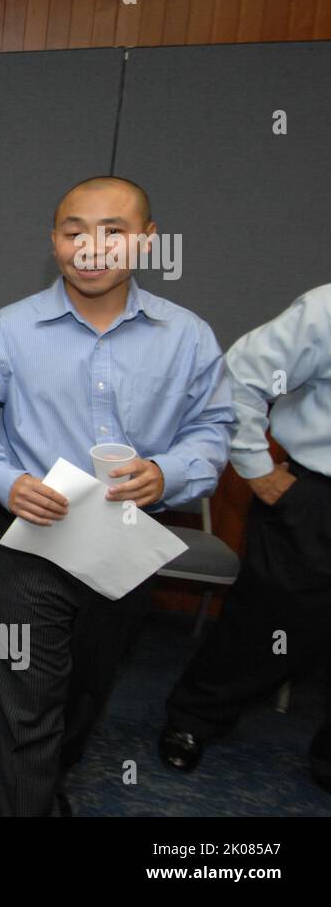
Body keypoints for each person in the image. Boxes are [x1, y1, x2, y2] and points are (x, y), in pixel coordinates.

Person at [0, 176, 233, 816]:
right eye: (74, 231)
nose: (92, 248)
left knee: (90, 688)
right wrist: (3, 479)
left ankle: (53, 775)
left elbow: (213, 429)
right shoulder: (9, 329)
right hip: (27, 539)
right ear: (55, 241)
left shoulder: (186, 338)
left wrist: (170, 472)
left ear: (148, 242)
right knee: (27, 699)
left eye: (114, 231)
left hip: (126, 543)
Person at [160, 284, 331, 792]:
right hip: (317, 500)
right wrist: (258, 470)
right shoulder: (327, 307)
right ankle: (195, 718)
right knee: (267, 623)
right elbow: (240, 376)